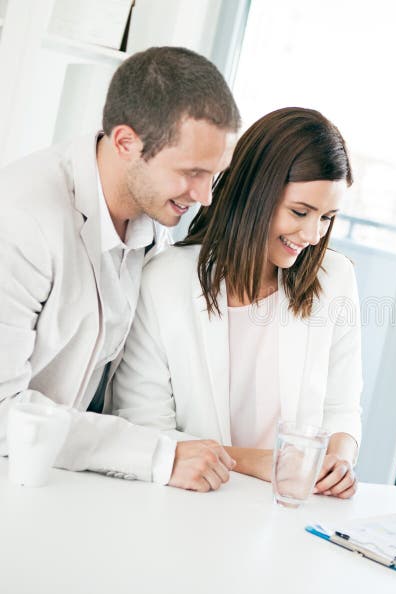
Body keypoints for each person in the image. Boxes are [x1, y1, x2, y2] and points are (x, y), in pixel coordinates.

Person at [0, 46, 242, 491]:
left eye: (214, 173)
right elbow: (1, 408)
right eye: (191, 172)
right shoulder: (21, 217)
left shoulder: (154, 222)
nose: (205, 195)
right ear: (127, 143)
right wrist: (155, 455)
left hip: (65, 479)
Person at [112, 107, 362, 499]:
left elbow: (342, 407)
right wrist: (255, 460)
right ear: (254, 194)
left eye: (328, 217)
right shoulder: (165, 280)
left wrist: (340, 459)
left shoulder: (335, 278)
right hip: (187, 506)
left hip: (291, 514)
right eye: (300, 212)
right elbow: (143, 425)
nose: (313, 234)